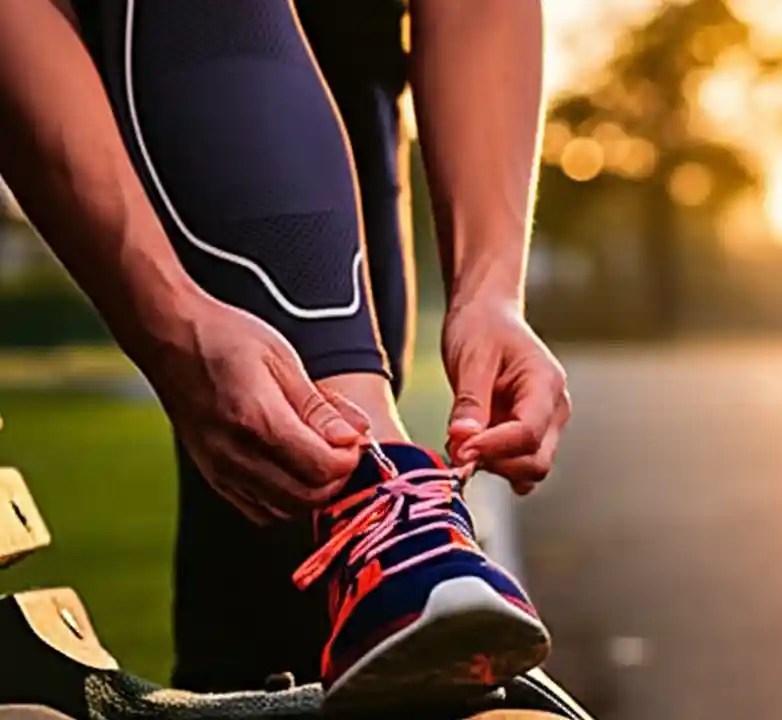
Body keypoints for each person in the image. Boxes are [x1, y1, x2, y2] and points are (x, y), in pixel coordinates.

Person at [0, 0, 571, 712]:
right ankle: (377, 495)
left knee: (286, 632)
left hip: (343, 112)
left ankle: (376, 518)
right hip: (136, 68)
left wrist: (491, 294)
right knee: (340, 506)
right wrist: (166, 317)